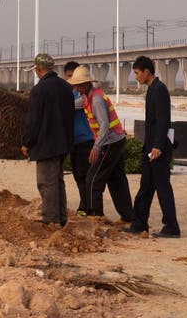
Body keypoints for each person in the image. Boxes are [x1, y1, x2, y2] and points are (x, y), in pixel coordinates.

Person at [124, 55, 181, 239]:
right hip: (150, 148)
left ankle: (171, 227)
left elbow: (163, 121)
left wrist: (157, 146)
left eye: (137, 73)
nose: (136, 77)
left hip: (158, 149)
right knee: (146, 187)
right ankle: (139, 224)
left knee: (163, 188)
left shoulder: (160, 90)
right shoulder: (151, 89)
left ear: (147, 71)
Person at [68, 65, 133, 223]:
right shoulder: (86, 97)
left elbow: (104, 125)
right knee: (116, 179)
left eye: (78, 84)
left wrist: (96, 147)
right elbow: (72, 105)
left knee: (93, 178)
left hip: (110, 142)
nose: (76, 87)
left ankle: (96, 215)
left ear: (86, 84)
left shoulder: (96, 99)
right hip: (116, 140)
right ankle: (128, 216)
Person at [21, 53, 74, 227]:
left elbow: (33, 120)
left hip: (46, 145)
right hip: (64, 143)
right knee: (58, 181)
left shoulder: (39, 90)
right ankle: (61, 217)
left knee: (46, 183)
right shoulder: (66, 87)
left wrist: (27, 142)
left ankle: (51, 220)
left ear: (38, 68)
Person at [63, 61, 95, 216]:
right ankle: (85, 205)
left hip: (86, 140)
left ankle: (87, 207)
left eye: (73, 77)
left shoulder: (83, 94)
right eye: (69, 77)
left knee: (84, 175)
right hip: (73, 141)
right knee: (77, 175)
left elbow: (70, 106)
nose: (71, 81)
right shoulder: (67, 93)